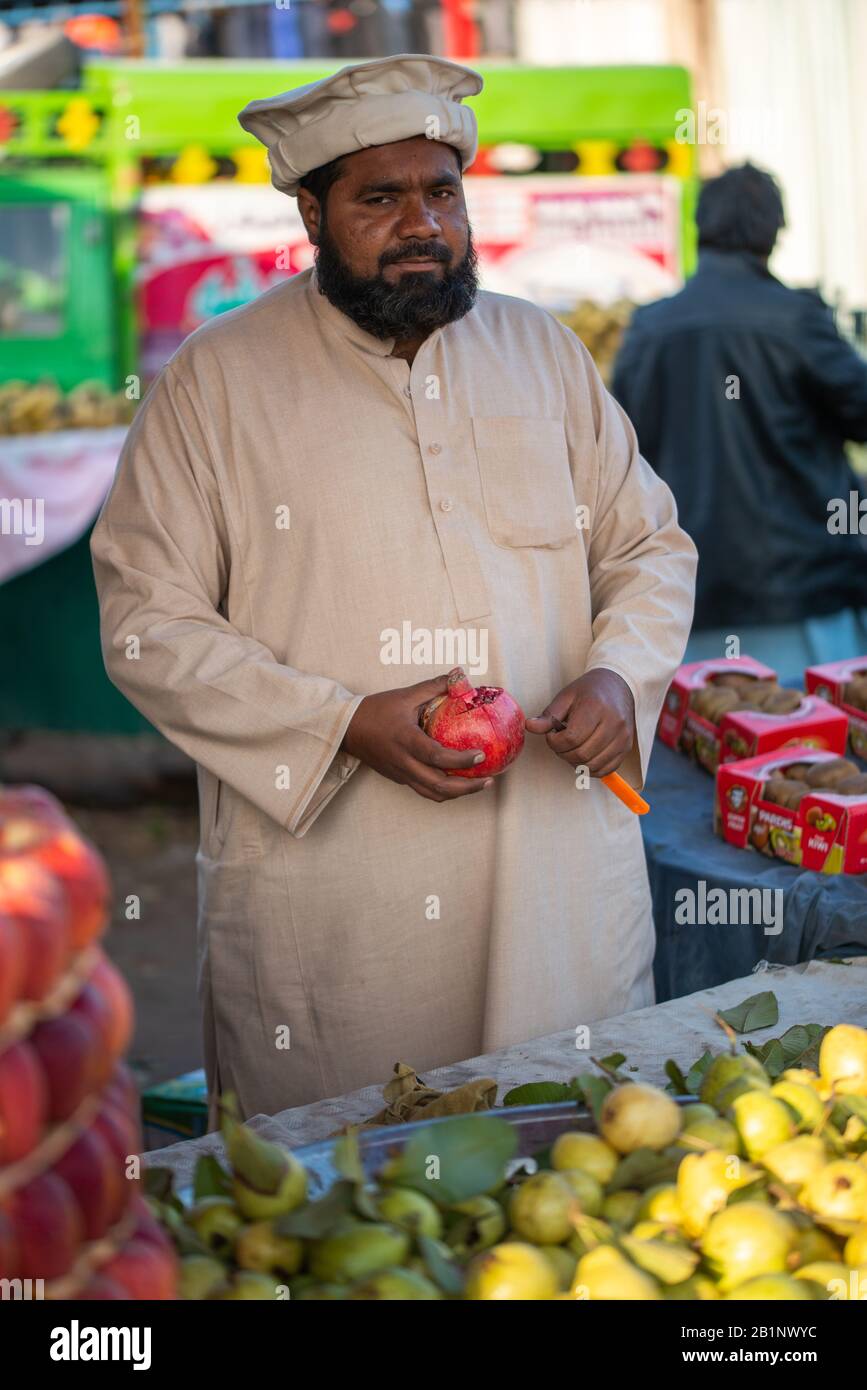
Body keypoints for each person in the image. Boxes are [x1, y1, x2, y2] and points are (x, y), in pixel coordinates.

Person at [91, 56, 696, 1122]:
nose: (422, 221)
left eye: (442, 192)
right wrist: (341, 725)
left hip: (553, 882)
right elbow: (147, 622)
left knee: (573, 1193)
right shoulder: (214, 382)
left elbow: (649, 544)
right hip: (338, 909)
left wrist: (617, 678)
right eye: (380, 197)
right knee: (355, 1223)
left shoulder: (541, 352)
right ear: (313, 214)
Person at [613, 163, 867, 677]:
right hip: (804, 597)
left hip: (685, 596)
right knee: (818, 743)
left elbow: (619, 453)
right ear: (773, 231)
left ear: (700, 228)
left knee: (707, 746)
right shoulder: (798, 318)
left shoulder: (650, 327)